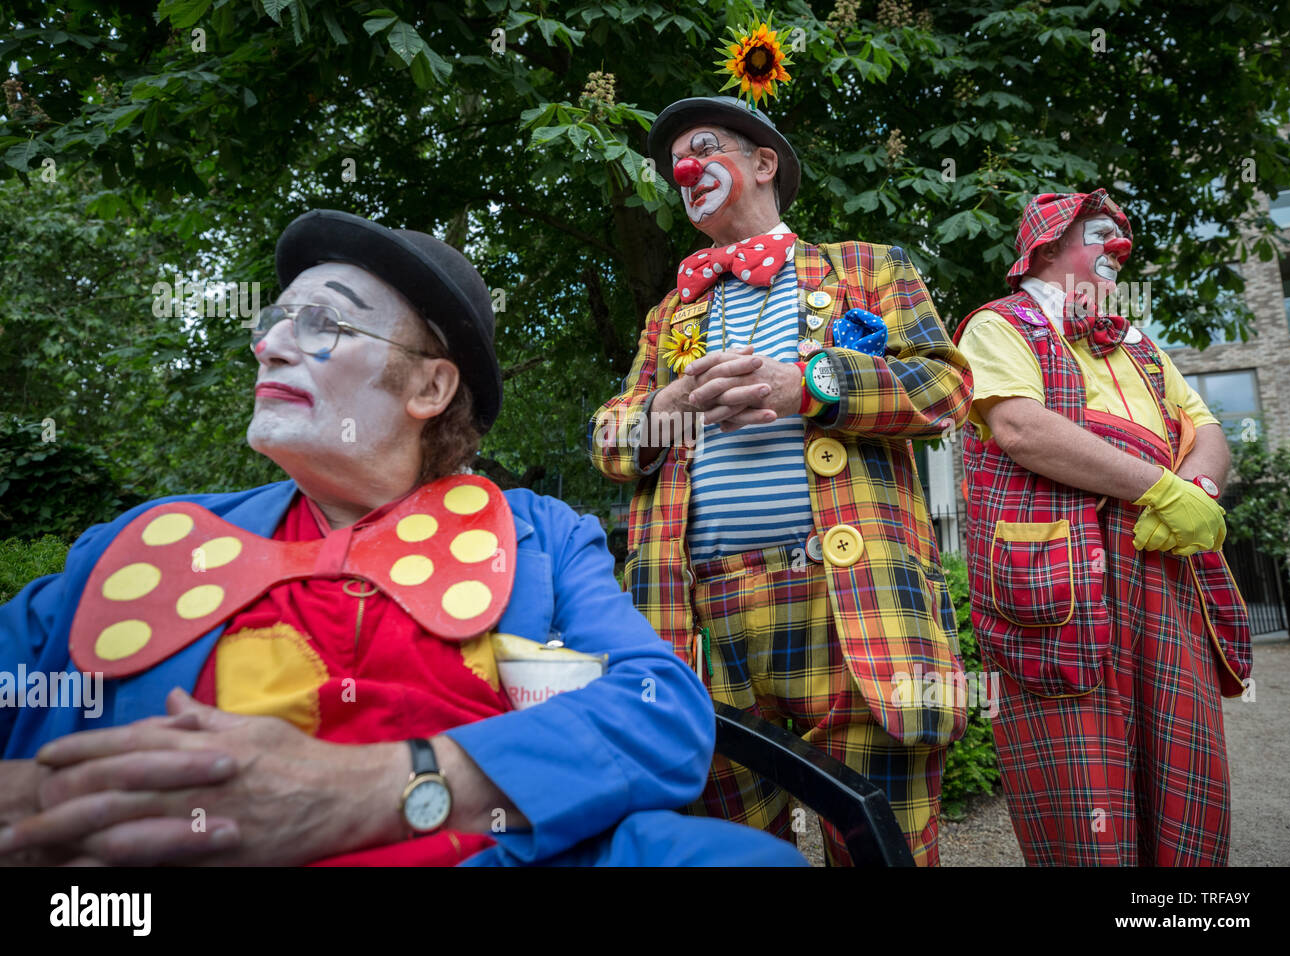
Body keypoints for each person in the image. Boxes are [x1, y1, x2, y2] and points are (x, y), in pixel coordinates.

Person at [0, 209, 805, 867]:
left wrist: (387, 785)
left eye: (322, 324)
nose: (269, 341)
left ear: (430, 385)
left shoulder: (541, 538)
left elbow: (661, 715)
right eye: (276, 319)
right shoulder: (137, 544)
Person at [588, 96, 972, 866]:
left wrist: (816, 387)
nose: (684, 171)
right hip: (701, 616)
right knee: (728, 852)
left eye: (702, 149)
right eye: (674, 168)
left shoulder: (869, 267)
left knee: (880, 843)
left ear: (764, 162)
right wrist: (667, 408)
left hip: (851, 603)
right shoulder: (671, 314)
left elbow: (945, 391)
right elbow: (610, 440)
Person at [952, 189, 1252, 865]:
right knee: (1082, 776)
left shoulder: (1142, 343)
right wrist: (1160, 487)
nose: (1118, 248)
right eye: (1098, 235)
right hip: (1061, 586)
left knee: (1184, 756)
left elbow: (1204, 427)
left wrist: (1196, 492)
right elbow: (1021, 427)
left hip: (1162, 564)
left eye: (1121, 237)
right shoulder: (998, 326)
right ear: (1048, 246)